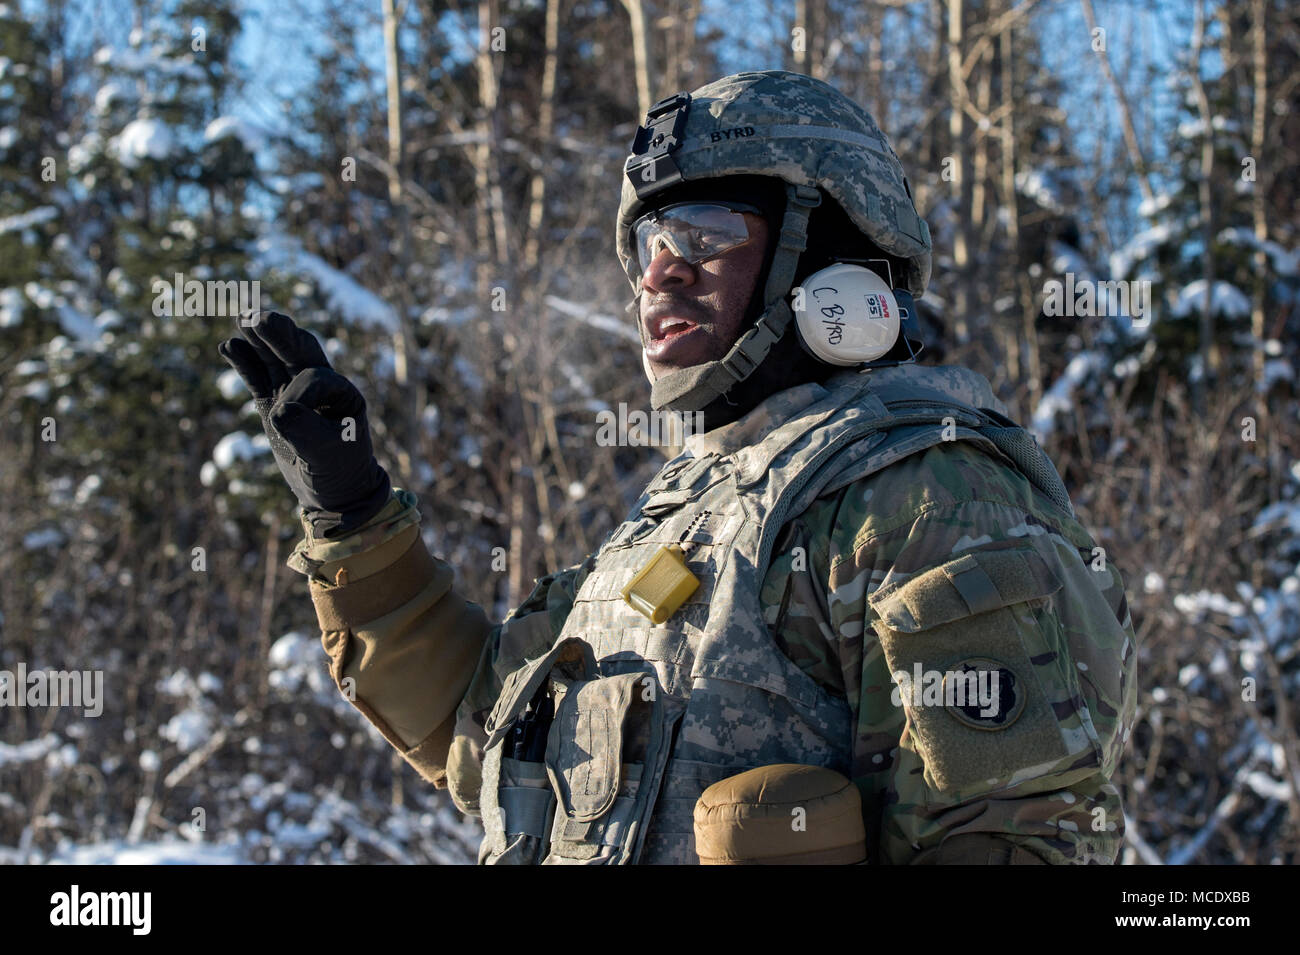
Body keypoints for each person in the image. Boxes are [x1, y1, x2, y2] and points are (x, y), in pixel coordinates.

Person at [219, 70, 1137, 865]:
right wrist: (355, 515)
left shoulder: (926, 496)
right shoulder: (681, 511)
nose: (659, 275)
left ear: (825, 254)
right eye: (646, 246)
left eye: (700, 235)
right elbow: (478, 739)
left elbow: (1019, 839)